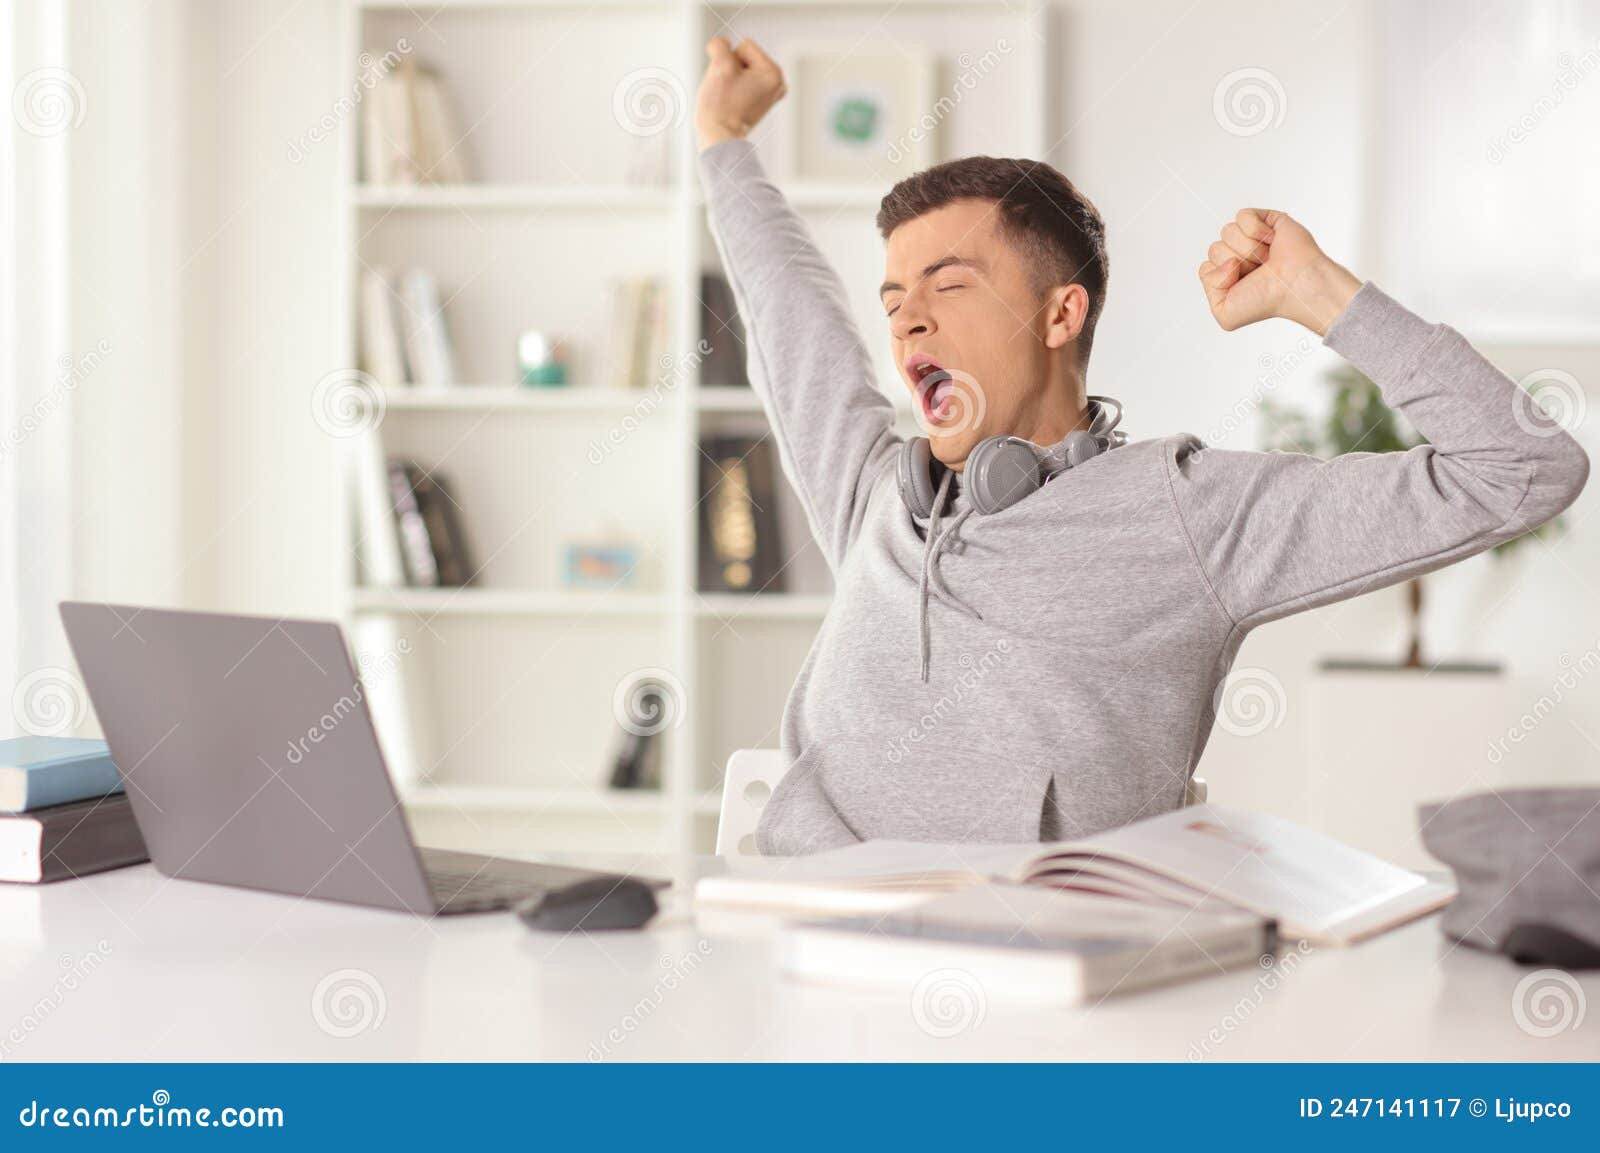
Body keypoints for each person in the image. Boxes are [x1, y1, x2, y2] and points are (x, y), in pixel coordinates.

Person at [694, 36, 1589, 855]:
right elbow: (793, 315)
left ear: (1060, 313)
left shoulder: (1189, 512)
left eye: (950, 284)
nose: (909, 318)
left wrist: (1320, 293)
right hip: (806, 943)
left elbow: (1523, 468)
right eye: (893, 301)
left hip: (1042, 980)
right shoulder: (877, 499)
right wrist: (723, 138)